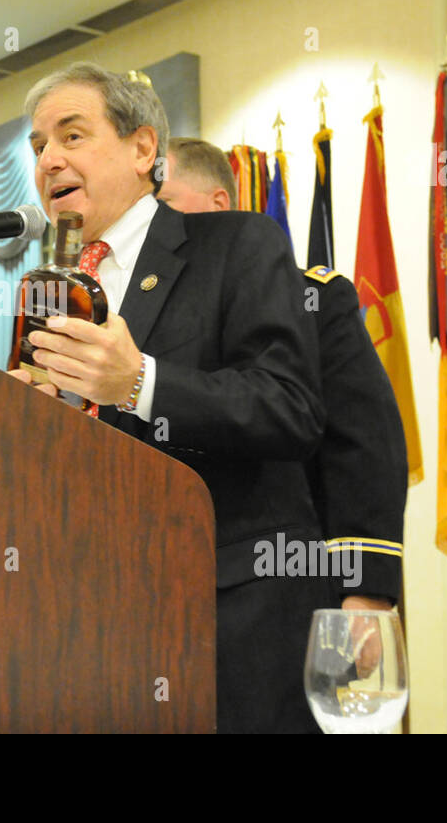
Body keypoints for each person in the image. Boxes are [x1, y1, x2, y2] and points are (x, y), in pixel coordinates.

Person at [12, 62, 326, 733]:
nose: (49, 160)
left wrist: (139, 381)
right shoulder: (49, 287)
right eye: (39, 146)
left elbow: (290, 407)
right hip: (92, 622)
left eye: (72, 135)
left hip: (230, 620)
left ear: (143, 147)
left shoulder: (238, 245)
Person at [160, 136, 407, 610]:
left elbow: (362, 444)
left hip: (284, 586)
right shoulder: (133, 316)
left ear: (220, 204)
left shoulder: (307, 298)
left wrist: (365, 592)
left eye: (165, 204)